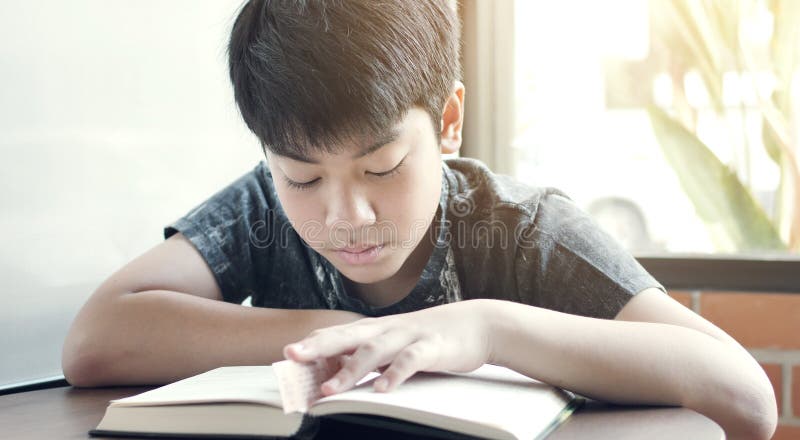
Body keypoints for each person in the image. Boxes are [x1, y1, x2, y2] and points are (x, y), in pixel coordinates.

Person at [61, 1, 776, 438]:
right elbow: (97, 340)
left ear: (449, 122)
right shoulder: (262, 208)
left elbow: (745, 398)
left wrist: (487, 328)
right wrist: (346, 334)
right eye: (303, 176)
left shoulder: (522, 228)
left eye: (382, 168)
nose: (347, 215)